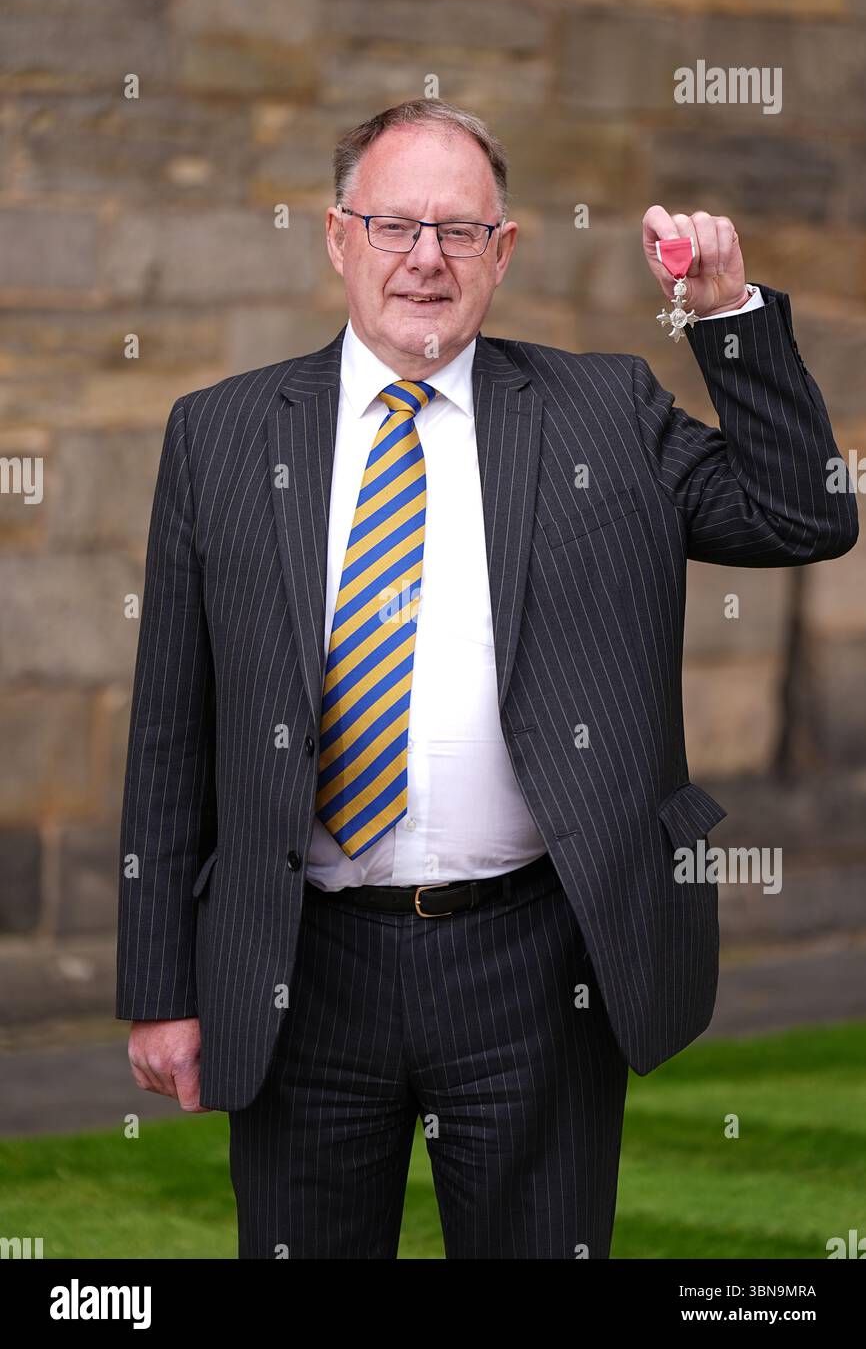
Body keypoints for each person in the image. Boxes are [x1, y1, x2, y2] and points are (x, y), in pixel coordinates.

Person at [116, 98, 858, 1259]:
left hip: (533, 962)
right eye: (393, 224)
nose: (424, 257)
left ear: (501, 252)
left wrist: (727, 322)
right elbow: (170, 726)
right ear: (336, 237)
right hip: (299, 964)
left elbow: (800, 511)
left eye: (457, 231)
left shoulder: (603, 410)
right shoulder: (216, 434)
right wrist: (159, 983)